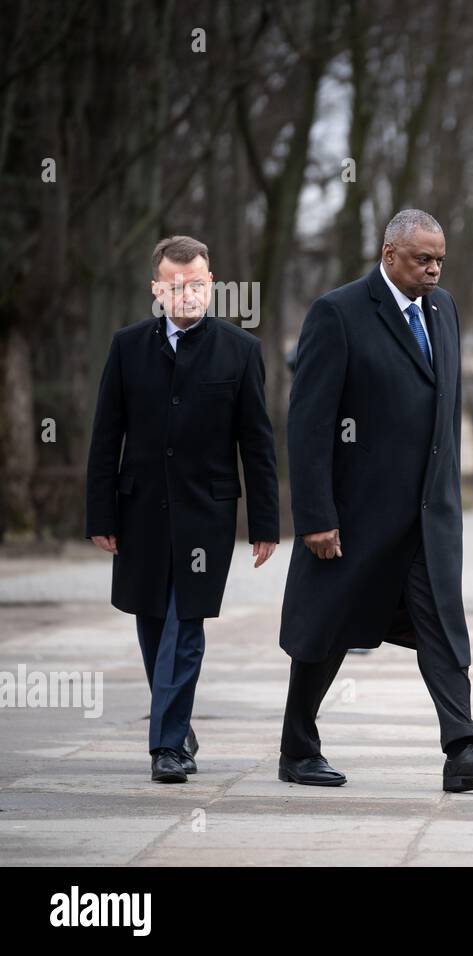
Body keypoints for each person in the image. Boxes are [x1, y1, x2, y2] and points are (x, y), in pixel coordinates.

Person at [277, 209, 473, 793]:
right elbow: (308, 425)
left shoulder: (445, 309)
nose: (434, 269)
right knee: (327, 630)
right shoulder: (338, 314)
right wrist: (315, 515)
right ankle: (297, 748)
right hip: (356, 518)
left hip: (429, 518)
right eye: (422, 259)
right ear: (389, 254)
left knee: (443, 629)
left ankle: (464, 748)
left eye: (439, 259)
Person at [85, 235, 279, 784]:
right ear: (157, 289)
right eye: (176, 285)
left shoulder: (241, 351)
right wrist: (99, 515)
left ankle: (167, 746)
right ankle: (179, 724)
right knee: (151, 622)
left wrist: (264, 524)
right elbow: (106, 436)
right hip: (140, 510)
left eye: (196, 284)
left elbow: (258, 444)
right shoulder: (127, 347)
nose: (187, 294)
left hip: (206, 516)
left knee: (184, 624)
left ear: (211, 285)